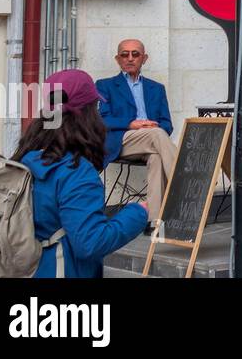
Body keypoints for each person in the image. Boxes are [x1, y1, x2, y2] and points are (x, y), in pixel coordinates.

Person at [14, 69, 148, 278]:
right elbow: (91, 243)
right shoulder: (75, 170)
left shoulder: (25, 157)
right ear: (88, 112)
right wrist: (138, 213)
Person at [96, 39, 176, 222]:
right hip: (122, 141)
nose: (130, 58)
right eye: (124, 54)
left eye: (135, 54)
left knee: (156, 157)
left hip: (152, 141)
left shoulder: (157, 88)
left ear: (144, 58)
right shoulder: (104, 85)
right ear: (118, 59)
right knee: (156, 134)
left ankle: (154, 221)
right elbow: (101, 120)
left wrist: (153, 127)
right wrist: (131, 124)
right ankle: (184, 182)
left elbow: (167, 124)